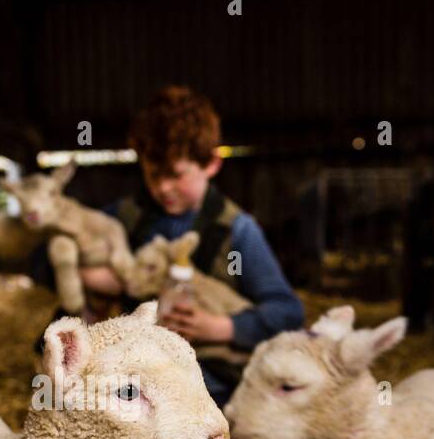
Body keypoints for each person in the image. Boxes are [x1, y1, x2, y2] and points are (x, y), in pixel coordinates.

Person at [78, 85, 305, 407]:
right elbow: (45, 260)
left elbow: (287, 311)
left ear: (212, 163)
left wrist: (221, 327)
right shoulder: (123, 218)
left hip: (205, 372)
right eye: (153, 174)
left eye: (175, 174)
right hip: (131, 360)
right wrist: (95, 276)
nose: (163, 187)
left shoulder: (238, 231)